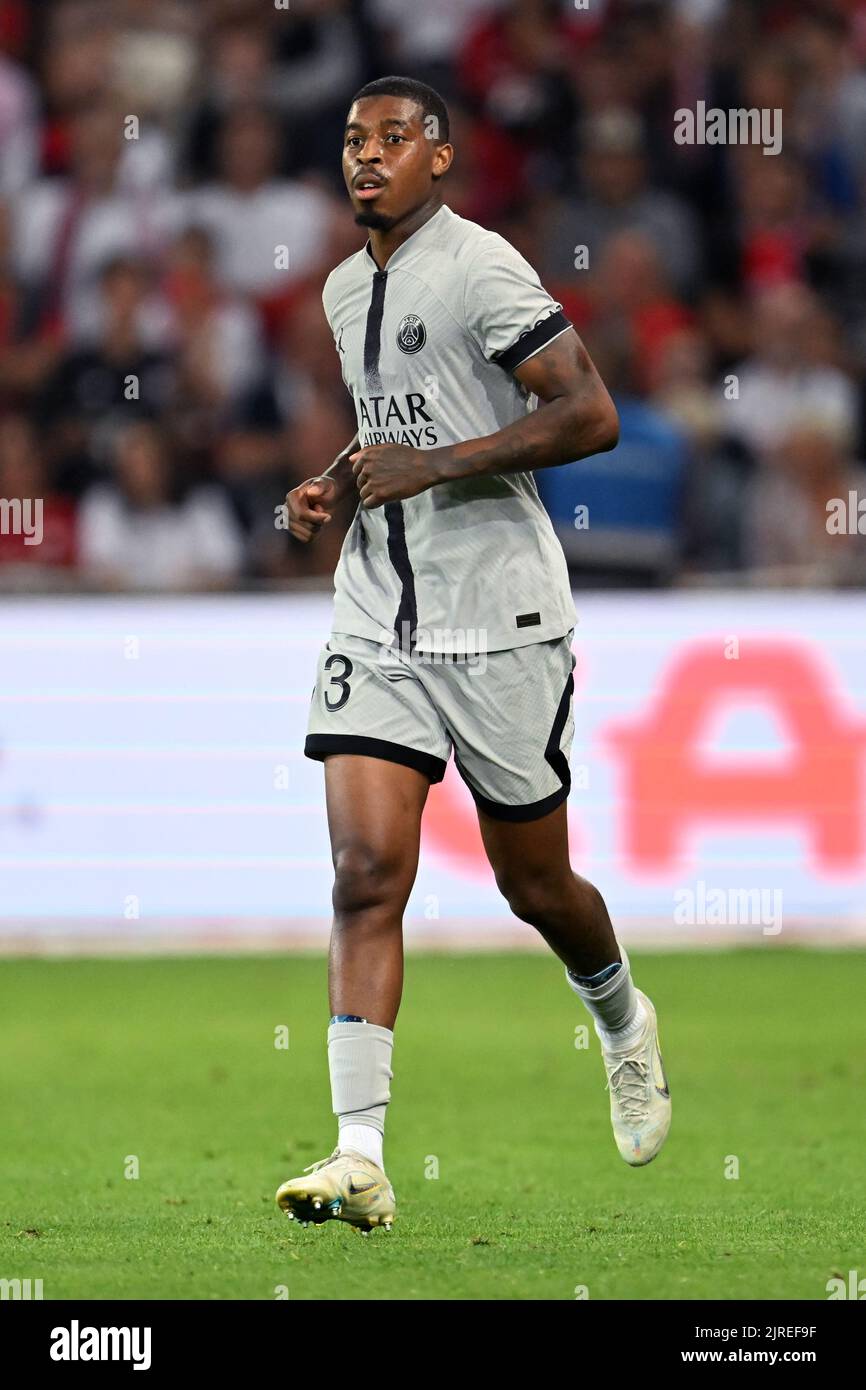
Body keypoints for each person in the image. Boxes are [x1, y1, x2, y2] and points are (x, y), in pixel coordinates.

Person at [275, 76, 671, 1235]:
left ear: (439, 159)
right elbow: (393, 422)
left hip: (497, 615)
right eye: (353, 140)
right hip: (378, 615)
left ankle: (617, 1017)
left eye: (394, 139)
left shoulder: (483, 266)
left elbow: (587, 411)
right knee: (363, 872)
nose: (368, 157)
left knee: (532, 884)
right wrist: (336, 482)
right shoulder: (347, 289)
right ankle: (359, 1156)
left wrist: (436, 465)